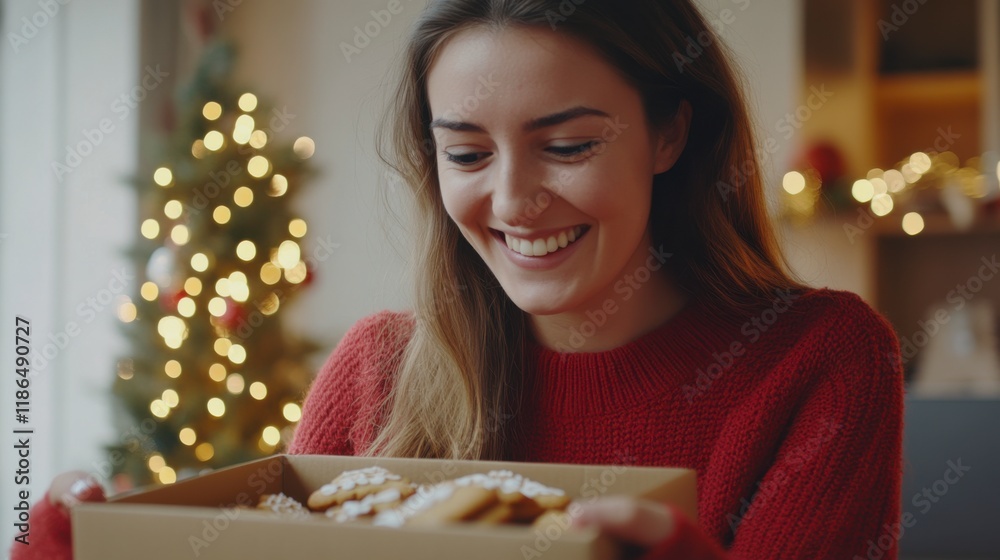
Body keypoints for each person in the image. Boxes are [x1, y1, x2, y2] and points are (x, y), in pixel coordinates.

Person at [11, 1, 904, 558]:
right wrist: (73, 544)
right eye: (467, 152)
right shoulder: (377, 369)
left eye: (568, 144)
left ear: (670, 133)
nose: (514, 200)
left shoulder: (821, 361)